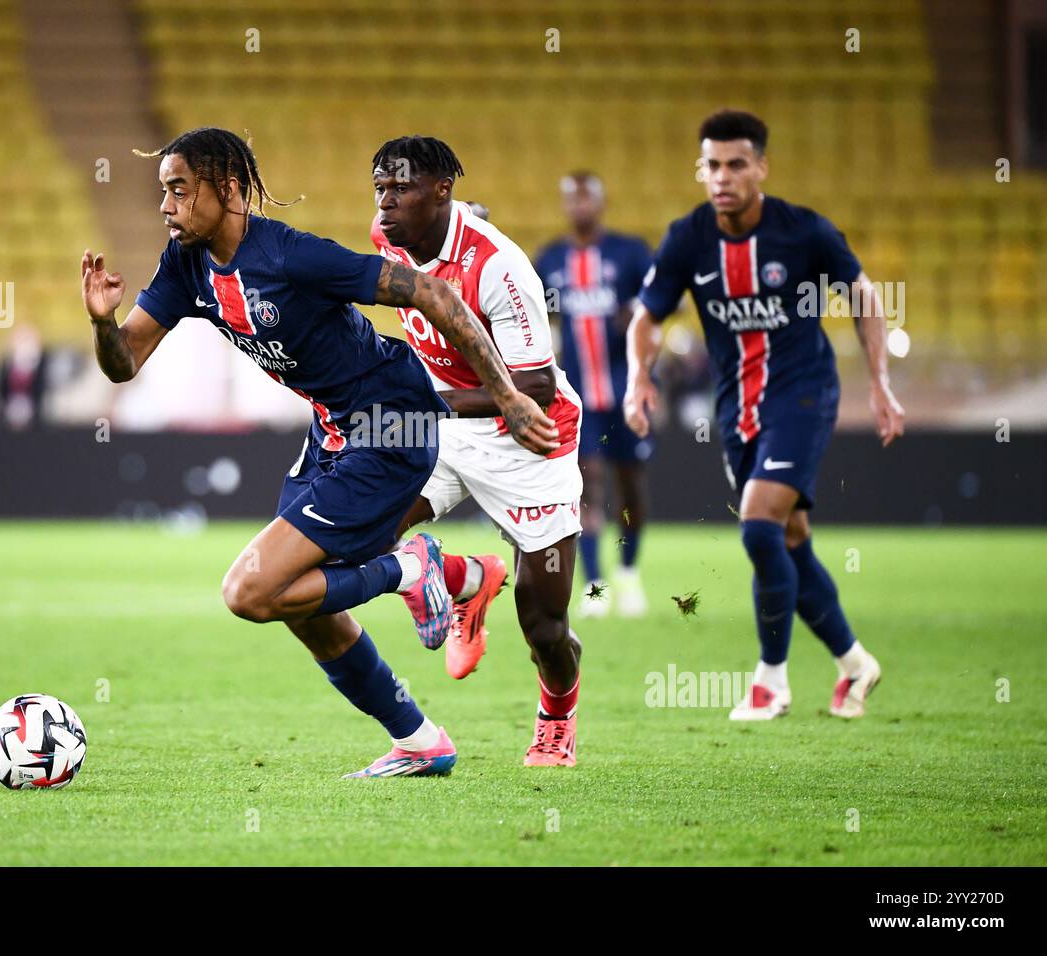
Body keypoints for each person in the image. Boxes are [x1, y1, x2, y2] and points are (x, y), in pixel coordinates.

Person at [81, 127, 558, 776]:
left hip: (391, 426)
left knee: (250, 592)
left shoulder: (292, 256)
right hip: (332, 433)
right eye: (163, 191)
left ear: (228, 189)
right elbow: (124, 363)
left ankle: (409, 568)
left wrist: (508, 397)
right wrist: (103, 322)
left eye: (179, 190)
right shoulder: (186, 264)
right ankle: (421, 740)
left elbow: (433, 294)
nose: (166, 206)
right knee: (300, 605)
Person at [624, 110, 905, 720]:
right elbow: (646, 317)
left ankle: (771, 682)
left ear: (761, 168)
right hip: (737, 408)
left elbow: (864, 297)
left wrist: (881, 383)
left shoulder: (803, 232)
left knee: (757, 525)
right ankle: (855, 663)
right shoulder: (688, 238)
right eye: (712, 165)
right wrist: (637, 378)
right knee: (790, 538)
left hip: (803, 394)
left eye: (735, 164)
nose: (722, 177)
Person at [371, 136, 585, 767]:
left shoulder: (501, 268)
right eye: (380, 188)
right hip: (447, 428)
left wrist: (421, 405)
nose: (385, 202)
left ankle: (556, 719)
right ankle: (466, 578)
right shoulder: (389, 236)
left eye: (401, 188)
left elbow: (535, 387)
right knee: (362, 533)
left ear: (442, 190)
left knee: (544, 627)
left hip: (530, 439)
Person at [537, 172, 655, 618]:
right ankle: (594, 584)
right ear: (564, 204)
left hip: (626, 392)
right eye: (573, 198)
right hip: (578, 395)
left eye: (588, 197)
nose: (580, 206)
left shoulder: (630, 253)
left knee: (632, 484)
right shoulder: (551, 260)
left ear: (602, 202)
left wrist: (638, 315)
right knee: (586, 485)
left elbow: (665, 302)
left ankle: (628, 572)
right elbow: (533, 317)